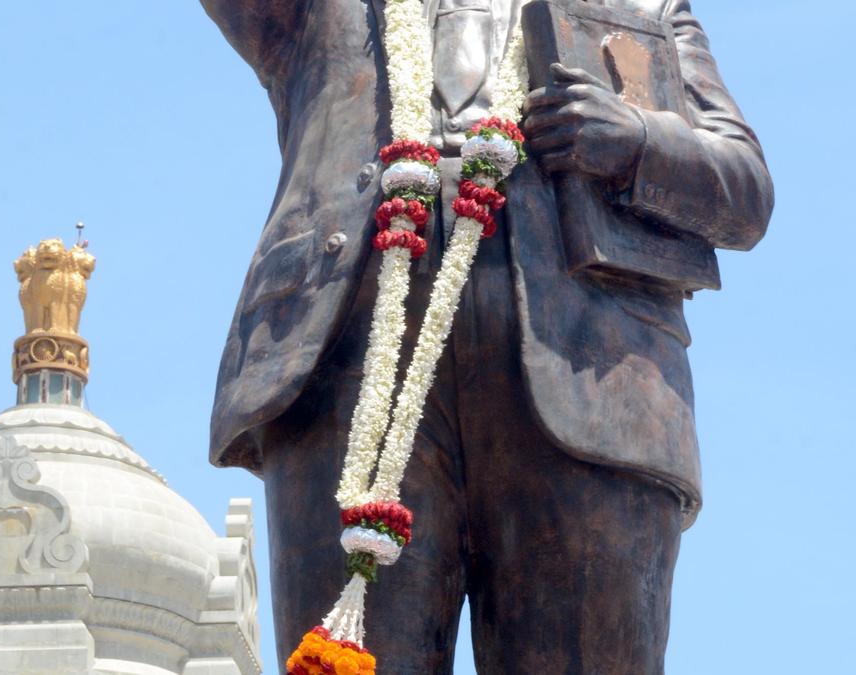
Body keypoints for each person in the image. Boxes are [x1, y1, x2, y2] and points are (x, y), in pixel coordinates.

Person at [200, 0, 773, 672]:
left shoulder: (641, 5)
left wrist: (635, 139)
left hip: (592, 376)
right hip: (348, 373)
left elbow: (744, 190)